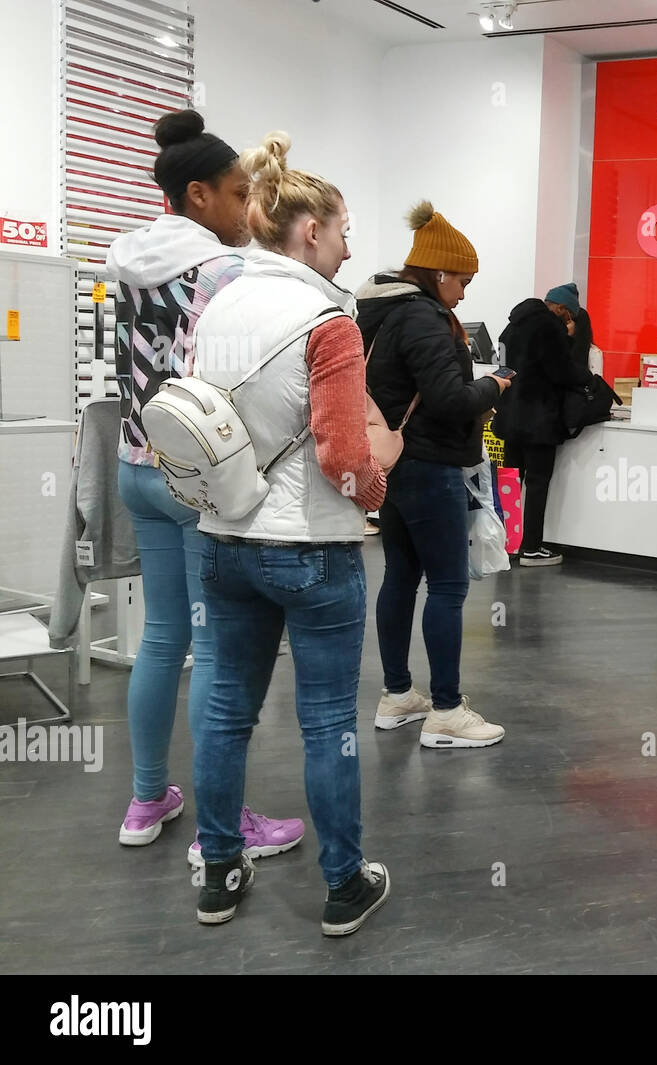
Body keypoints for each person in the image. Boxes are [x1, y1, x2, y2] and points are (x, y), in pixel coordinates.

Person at [190, 132, 390, 935]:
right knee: (329, 721)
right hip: (310, 547)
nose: (349, 246)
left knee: (225, 711)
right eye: (344, 230)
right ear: (310, 232)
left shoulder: (219, 306)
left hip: (221, 537)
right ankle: (344, 884)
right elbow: (345, 459)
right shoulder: (327, 318)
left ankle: (218, 871)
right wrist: (380, 484)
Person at [108, 109, 302, 864]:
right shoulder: (222, 271)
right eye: (235, 192)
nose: (247, 208)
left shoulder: (125, 261)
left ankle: (146, 797)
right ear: (197, 194)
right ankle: (227, 825)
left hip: (135, 465)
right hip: (197, 476)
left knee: (163, 638)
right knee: (220, 650)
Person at [357, 202, 511, 747]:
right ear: (439, 273)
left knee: (400, 577)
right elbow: (448, 398)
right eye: (463, 281)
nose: (465, 293)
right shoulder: (422, 317)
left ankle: (398, 696)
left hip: (395, 465)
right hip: (433, 467)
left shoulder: (379, 312)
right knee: (446, 585)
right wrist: (496, 387)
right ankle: (446, 710)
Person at [494, 285, 594, 566]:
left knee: (511, 482)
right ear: (562, 308)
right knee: (538, 483)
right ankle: (532, 547)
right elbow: (561, 371)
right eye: (568, 316)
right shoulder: (549, 328)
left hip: (510, 414)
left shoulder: (514, 323)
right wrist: (587, 378)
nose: (568, 321)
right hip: (538, 418)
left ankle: (507, 543)